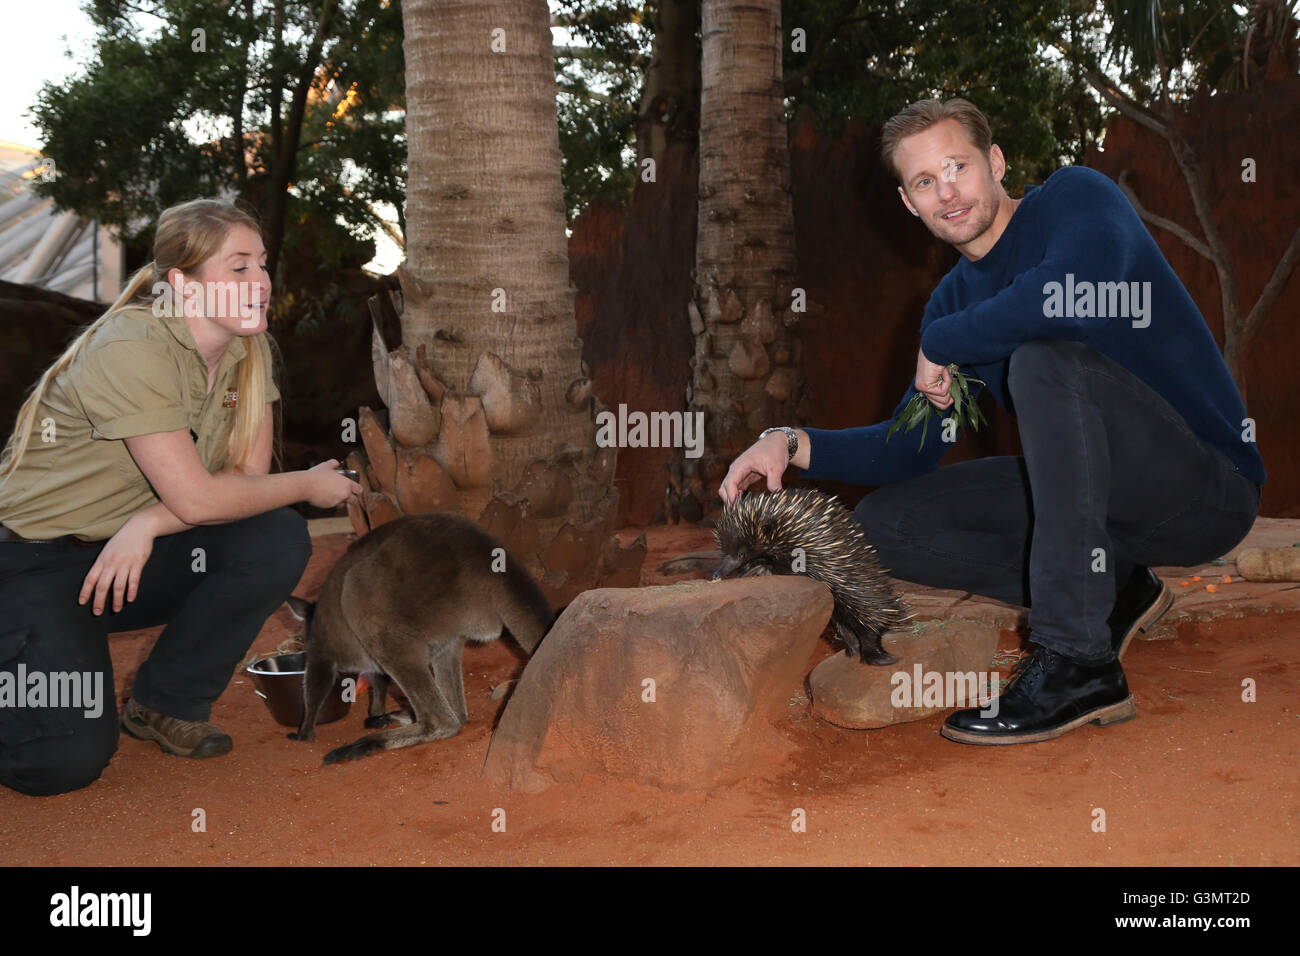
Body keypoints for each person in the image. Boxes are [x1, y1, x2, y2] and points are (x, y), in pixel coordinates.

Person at [719, 98, 1264, 745]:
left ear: (996, 162)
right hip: (1101, 501)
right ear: (908, 202)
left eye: (958, 166)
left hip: (1203, 489)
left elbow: (1065, 297)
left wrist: (946, 338)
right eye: (925, 181)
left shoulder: (1076, 200)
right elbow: (912, 447)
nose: (946, 191)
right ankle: (1114, 588)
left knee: (1042, 360)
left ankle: (1079, 663)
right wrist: (789, 441)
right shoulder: (952, 303)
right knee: (886, 523)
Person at [0, 199, 363, 796]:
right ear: (183, 286)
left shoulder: (248, 351)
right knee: (59, 767)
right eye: (239, 267)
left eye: (263, 265)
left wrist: (144, 523)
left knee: (271, 537)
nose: (263, 282)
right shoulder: (131, 346)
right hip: (32, 563)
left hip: (128, 557)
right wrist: (306, 484)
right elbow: (198, 501)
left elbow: (243, 483)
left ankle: (165, 703)